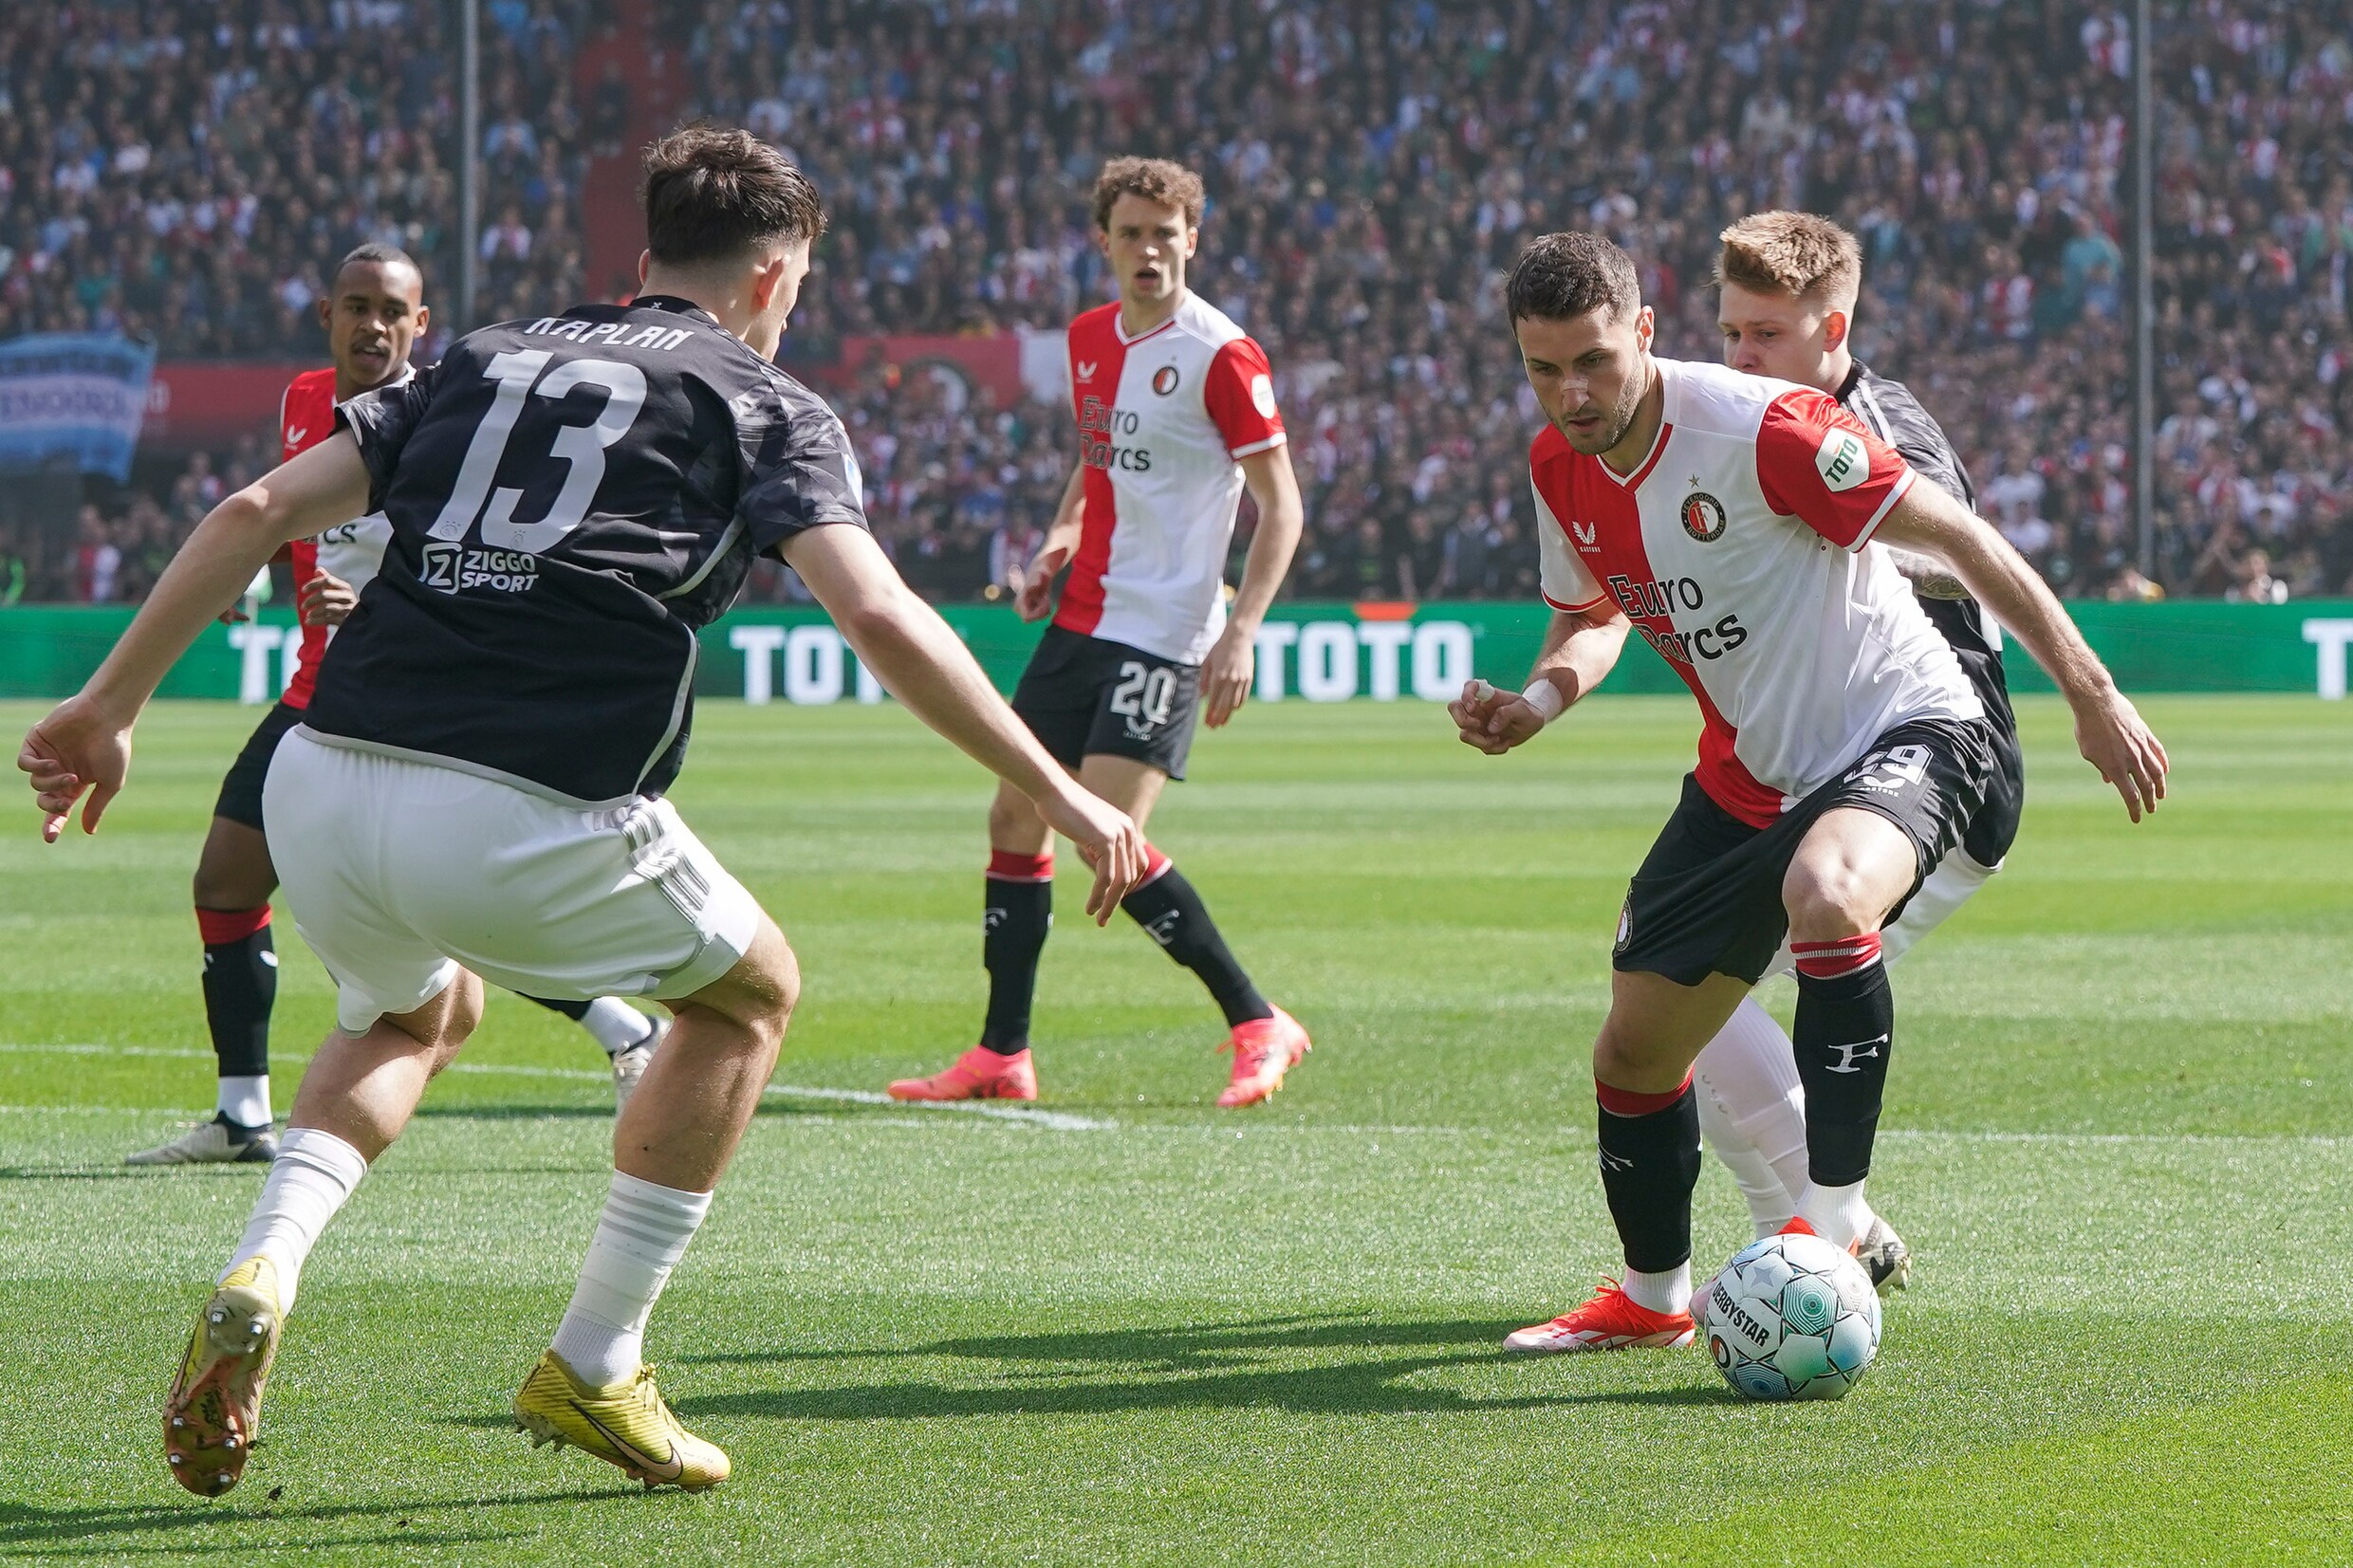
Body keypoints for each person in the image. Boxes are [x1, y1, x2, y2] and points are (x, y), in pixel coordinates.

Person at [19, 125, 1147, 1494]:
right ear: (780, 274)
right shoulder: (768, 402)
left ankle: (267, 1258)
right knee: (749, 996)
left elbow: (259, 506)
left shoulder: (480, 352)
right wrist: (1063, 797)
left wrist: (109, 706)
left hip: (324, 777)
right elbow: (881, 616)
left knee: (405, 1014)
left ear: (645, 256)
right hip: (523, 807)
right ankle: (599, 1360)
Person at [1448, 232, 2164, 1355]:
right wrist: (1535, 703)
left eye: (1590, 360)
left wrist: (2089, 691)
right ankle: (1650, 1300)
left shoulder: (1765, 428)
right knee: (1634, 1052)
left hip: (1907, 725)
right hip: (1750, 769)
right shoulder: (1559, 466)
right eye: (1542, 369)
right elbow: (1594, 615)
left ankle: (1829, 1230)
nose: (1569, 392)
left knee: (1827, 895)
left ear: (1643, 331)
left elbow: (1963, 538)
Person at [128, 245, 664, 1169]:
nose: (373, 326)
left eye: (393, 312)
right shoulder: (304, 402)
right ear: (326, 317)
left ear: (422, 326)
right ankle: (242, 1116)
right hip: (315, 696)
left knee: (432, 912)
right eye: (357, 307)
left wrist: (373, 605)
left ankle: (624, 1027)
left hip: (406, 696)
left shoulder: (447, 426)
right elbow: (286, 515)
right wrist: (250, 578)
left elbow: (480, 569)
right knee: (225, 883)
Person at [886, 157, 1311, 1110]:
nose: (1149, 250)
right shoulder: (1088, 339)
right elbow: (1097, 457)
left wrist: (1239, 630)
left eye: (1167, 234)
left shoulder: (1222, 356)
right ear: (1104, 243)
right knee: (1013, 818)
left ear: (1191, 241)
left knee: (1104, 840)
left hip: (1163, 631)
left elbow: (1281, 508)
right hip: (1082, 614)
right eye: (1132, 234)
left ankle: (1255, 1019)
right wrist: (1058, 538)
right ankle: (1001, 1054)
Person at [1690, 210, 2031, 1285]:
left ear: (1829, 327)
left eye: (1765, 336)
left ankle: (1815, 1229)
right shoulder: (1733, 424)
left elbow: (1956, 553)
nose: (1740, 357)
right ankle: (1805, 1235)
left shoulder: (1876, 424)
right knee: (1665, 974)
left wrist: (1843, 522)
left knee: (1690, 984)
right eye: (1730, 333)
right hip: (1824, 763)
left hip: (1940, 755)